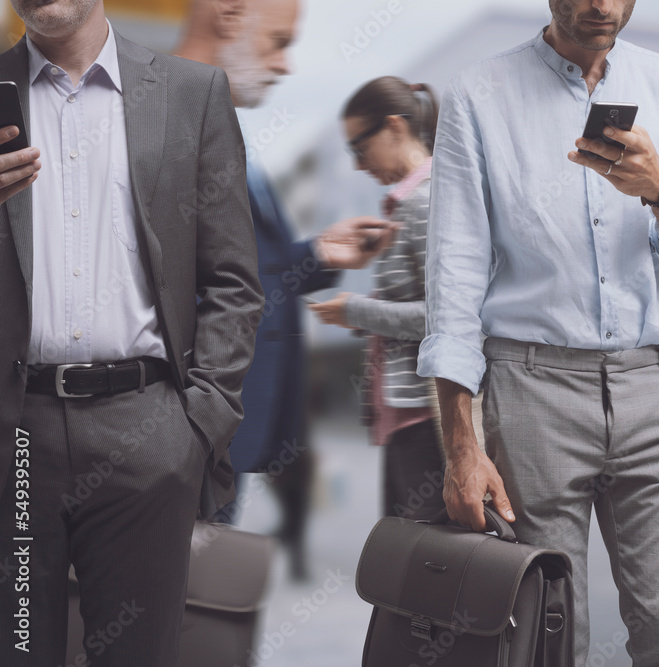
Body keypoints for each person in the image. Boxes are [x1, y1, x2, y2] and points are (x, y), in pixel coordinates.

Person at [417, 0, 659, 663]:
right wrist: (460, 445)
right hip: (533, 394)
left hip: (655, 390)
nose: (602, 5)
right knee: (549, 636)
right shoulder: (479, 95)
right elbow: (454, 275)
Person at [0, 0, 264, 665]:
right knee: (16, 647)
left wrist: (198, 424)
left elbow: (233, 281)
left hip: (147, 432)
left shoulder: (191, 93)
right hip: (15, 439)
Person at [173, 0, 395, 581]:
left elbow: (234, 265)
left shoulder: (219, 123)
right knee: (180, 606)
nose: (286, 64)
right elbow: (180, 281)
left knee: (199, 606)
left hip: (225, 434)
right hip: (192, 434)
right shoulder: (168, 120)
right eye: (278, 42)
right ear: (228, 15)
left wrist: (318, 254)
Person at [310, 76, 448, 522]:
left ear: (394, 127)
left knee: (420, 555)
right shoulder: (408, 203)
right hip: (409, 417)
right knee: (403, 553)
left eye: (359, 147)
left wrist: (355, 310)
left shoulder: (427, 200)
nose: (356, 165)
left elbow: (446, 317)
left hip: (428, 417)